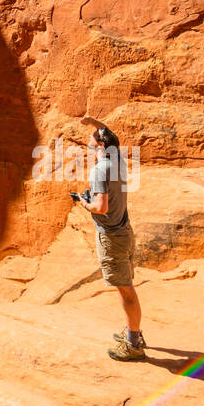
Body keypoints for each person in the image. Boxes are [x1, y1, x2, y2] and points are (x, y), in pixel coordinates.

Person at [70, 116, 145, 362]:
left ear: (101, 147)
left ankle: (133, 343)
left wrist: (84, 202)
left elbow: (100, 207)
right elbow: (111, 136)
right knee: (126, 286)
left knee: (126, 291)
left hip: (112, 237)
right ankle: (133, 331)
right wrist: (94, 123)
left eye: (90, 144)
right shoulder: (119, 162)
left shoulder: (100, 169)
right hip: (125, 231)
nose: (88, 148)